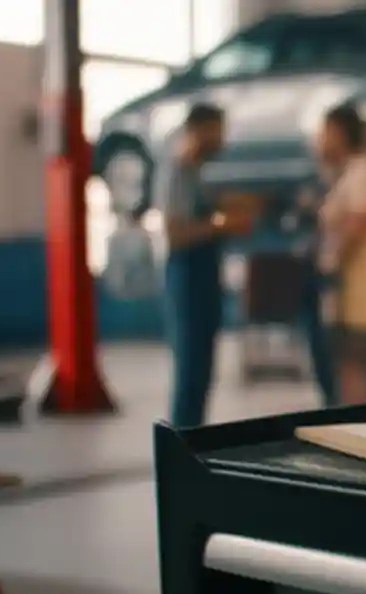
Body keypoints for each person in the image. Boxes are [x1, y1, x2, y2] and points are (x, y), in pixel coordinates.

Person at [158, 103, 252, 427]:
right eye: (217, 130)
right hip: (187, 277)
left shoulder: (197, 172)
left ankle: (192, 440)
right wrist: (221, 227)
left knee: (201, 372)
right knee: (190, 371)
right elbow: (175, 233)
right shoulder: (178, 171)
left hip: (204, 275)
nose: (221, 139)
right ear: (199, 129)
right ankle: (181, 446)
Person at [315, 103, 366, 404]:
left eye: (324, 132)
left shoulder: (364, 171)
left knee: (356, 369)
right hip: (347, 288)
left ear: (339, 131)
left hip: (360, 286)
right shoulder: (348, 172)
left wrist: (333, 262)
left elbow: (362, 220)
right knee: (349, 369)